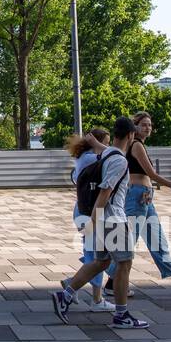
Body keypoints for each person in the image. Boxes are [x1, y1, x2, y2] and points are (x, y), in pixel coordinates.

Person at [53, 117, 149, 329]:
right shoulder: (119, 161)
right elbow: (105, 192)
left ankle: (65, 295)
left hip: (102, 220)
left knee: (101, 263)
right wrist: (94, 222)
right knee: (124, 264)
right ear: (131, 136)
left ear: (114, 135)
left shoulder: (107, 153)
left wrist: (94, 142)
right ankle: (121, 315)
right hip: (112, 219)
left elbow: (102, 147)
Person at [103, 111, 171, 296]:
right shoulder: (136, 145)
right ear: (134, 128)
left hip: (145, 196)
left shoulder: (135, 145)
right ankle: (110, 282)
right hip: (137, 197)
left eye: (149, 124)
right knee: (128, 241)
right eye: (143, 125)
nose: (147, 128)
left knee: (157, 238)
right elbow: (151, 174)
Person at [62, 129, 115, 313]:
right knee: (97, 257)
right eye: (105, 142)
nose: (107, 146)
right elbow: (114, 157)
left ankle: (74, 283)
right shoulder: (89, 158)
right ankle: (95, 298)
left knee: (94, 254)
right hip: (87, 211)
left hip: (85, 210)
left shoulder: (86, 157)